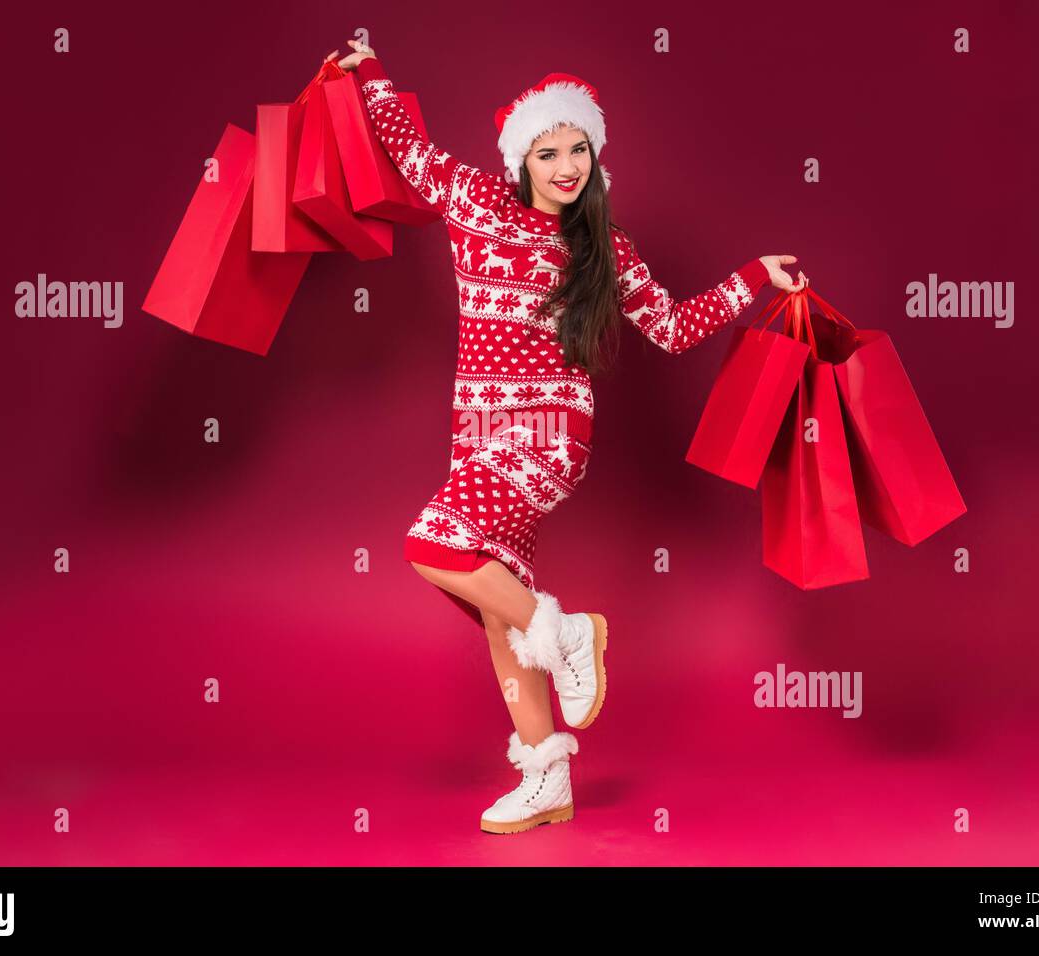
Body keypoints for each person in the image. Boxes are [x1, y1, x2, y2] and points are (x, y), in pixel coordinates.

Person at [335, 39, 808, 834]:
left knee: (433, 547)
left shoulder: (602, 249)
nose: (566, 166)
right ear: (522, 156)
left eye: (578, 149)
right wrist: (368, 69)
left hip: (551, 432)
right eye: (549, 150)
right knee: (497, 614)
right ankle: (546, 778)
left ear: (594, 155)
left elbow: (674, 327)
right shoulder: (473, 201)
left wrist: (755, 273)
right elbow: (407, 151)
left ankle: (566, 632)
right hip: (477, 433)